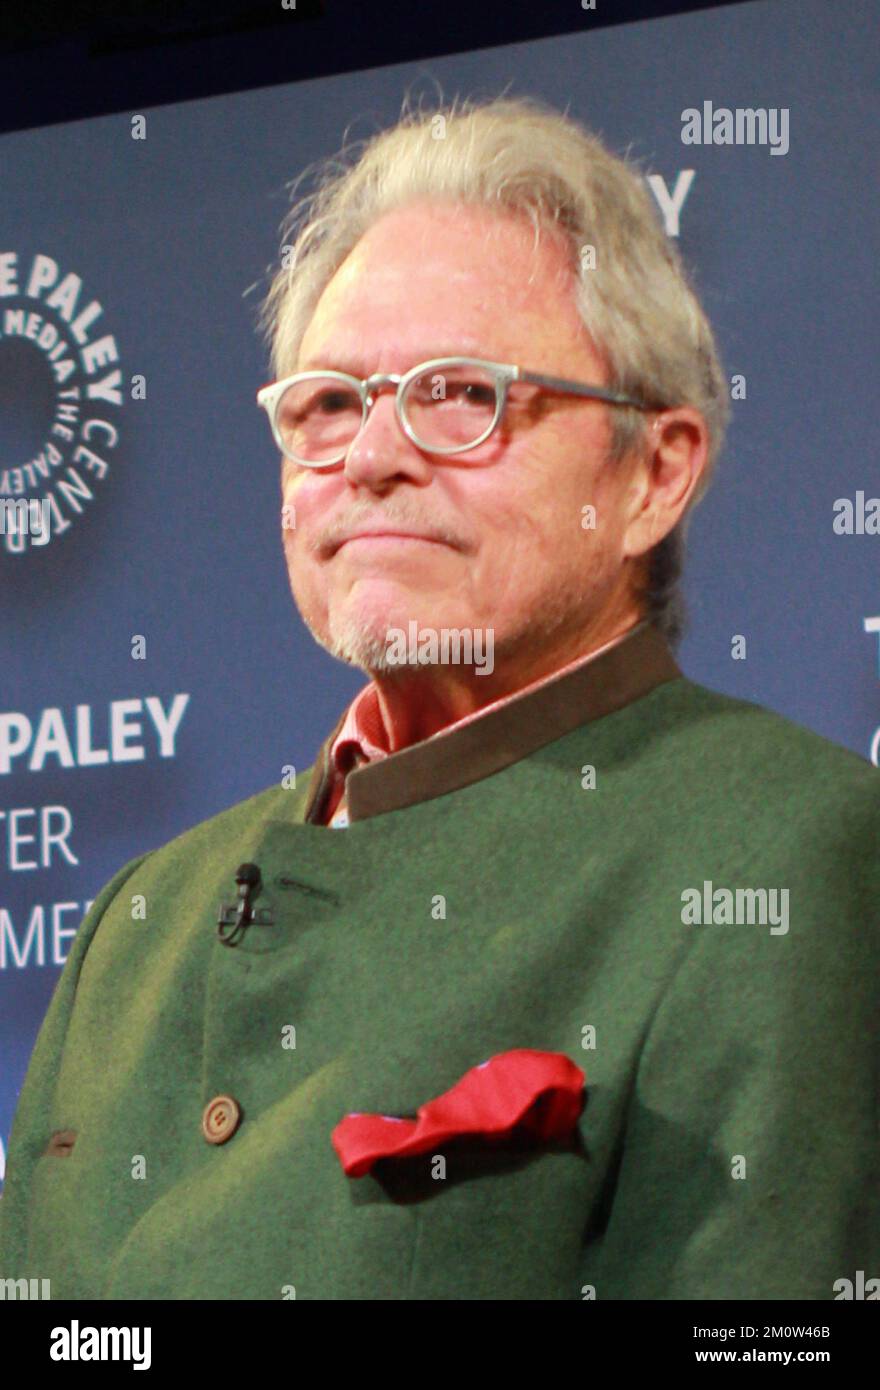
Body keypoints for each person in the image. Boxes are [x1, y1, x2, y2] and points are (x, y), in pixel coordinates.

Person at [1, 96, 876, 1301]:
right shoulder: (135, 922)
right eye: (329, 404)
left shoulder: (790, 848)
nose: (372, 455)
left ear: (653, 474)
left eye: (462, 394)